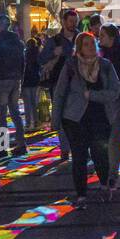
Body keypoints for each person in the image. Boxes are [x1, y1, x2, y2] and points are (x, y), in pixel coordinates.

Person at [53, 31, 120, 205]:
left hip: (100, 117)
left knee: (100, 154)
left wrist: (93, 95)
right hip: (74, 118)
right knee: (79, 156)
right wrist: (56, 119)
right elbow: (60, 93)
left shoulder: (105, 65)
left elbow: (115, 91)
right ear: (79, 48)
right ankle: (81, 193)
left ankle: (104, 185)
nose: (90, 47)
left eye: (92, 43)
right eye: (86, 44)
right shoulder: (71, 66)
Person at [0, 15, 28, 157]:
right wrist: (20, 76)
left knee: (1, 114)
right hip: (15, 79)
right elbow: (23, 61)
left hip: (2, 79)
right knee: (15, 113)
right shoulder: (17, 41)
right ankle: (21, 144)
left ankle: (2, 147)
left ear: (0, 25)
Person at [39, 9, 80, 159]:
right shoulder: (54, 40)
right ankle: (64, 148)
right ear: (64, 22)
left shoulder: (80, 38)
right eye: (71, 21)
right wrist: (54, 53)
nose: (73, 25)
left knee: (79, 114)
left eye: (75, 22)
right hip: (58, 83)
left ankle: (78, 146)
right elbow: (41, 59)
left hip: (79, 83)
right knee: (62, 115)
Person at [98, 24, 120, 188]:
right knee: (106, 138)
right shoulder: (99, 55)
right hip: (102, 101)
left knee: (114, 137)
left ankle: (112, 174)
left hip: (118, 100)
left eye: (103, 35)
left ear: (112, 37)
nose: (99, 38)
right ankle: (107, 171)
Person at [22, 33, 42, 131]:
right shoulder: (38, 54)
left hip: (26, 80)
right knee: (34, 102)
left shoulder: (25, 54)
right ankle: (36, 122)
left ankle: (28, 123)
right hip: (35, 79)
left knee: (27, 103)